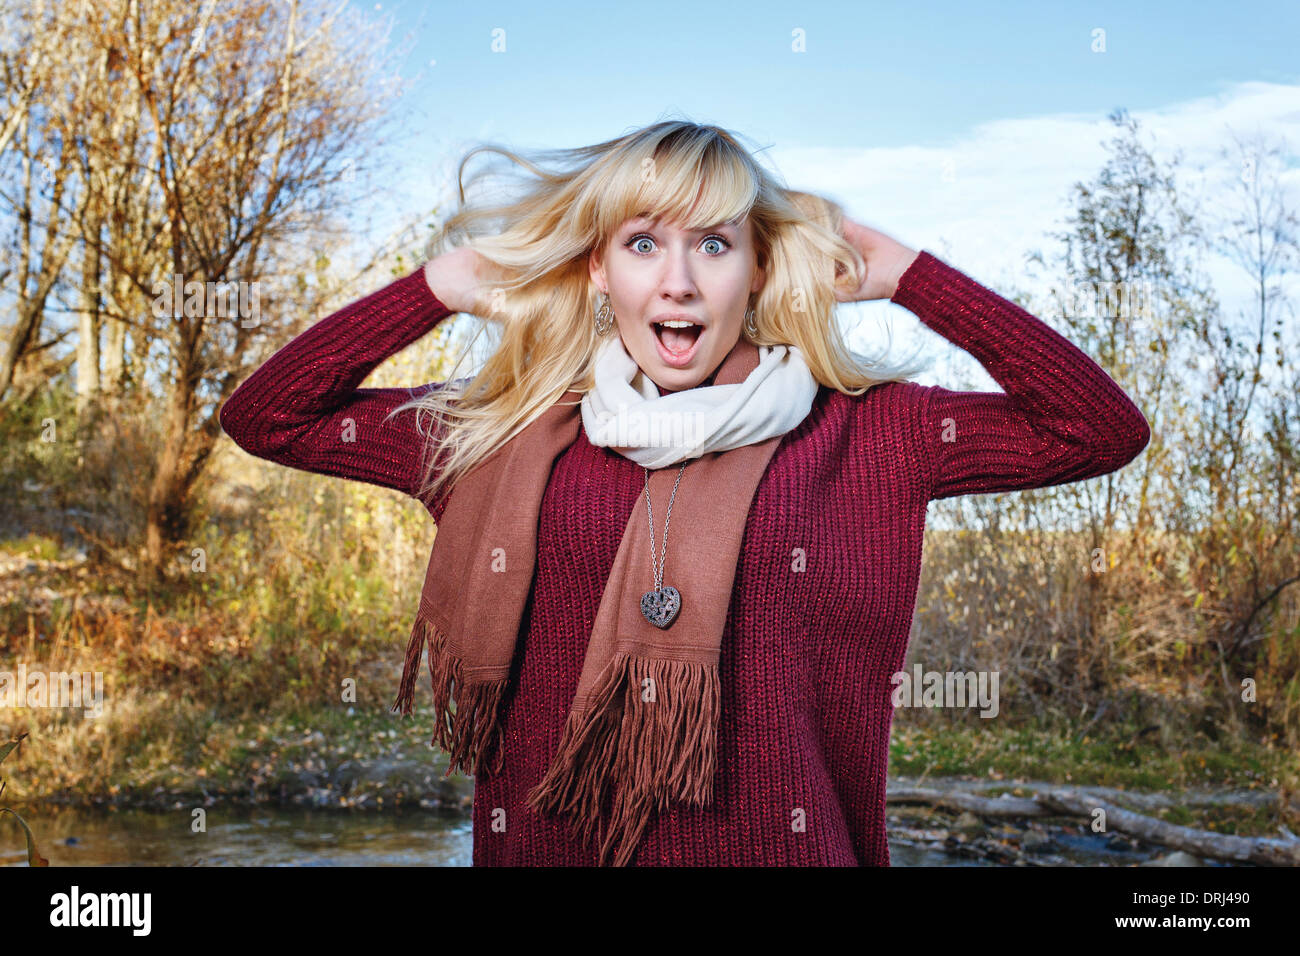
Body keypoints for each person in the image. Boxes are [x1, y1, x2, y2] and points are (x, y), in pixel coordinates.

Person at [219, 120, 1150, 866]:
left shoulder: (869, 434)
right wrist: (438, 288)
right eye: (641, 243)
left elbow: (1098, 430)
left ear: (755, 269)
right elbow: (270, 418)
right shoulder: (501, 432)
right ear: (598, 269)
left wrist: (914, 278)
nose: (678, 281)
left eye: (713, 244)